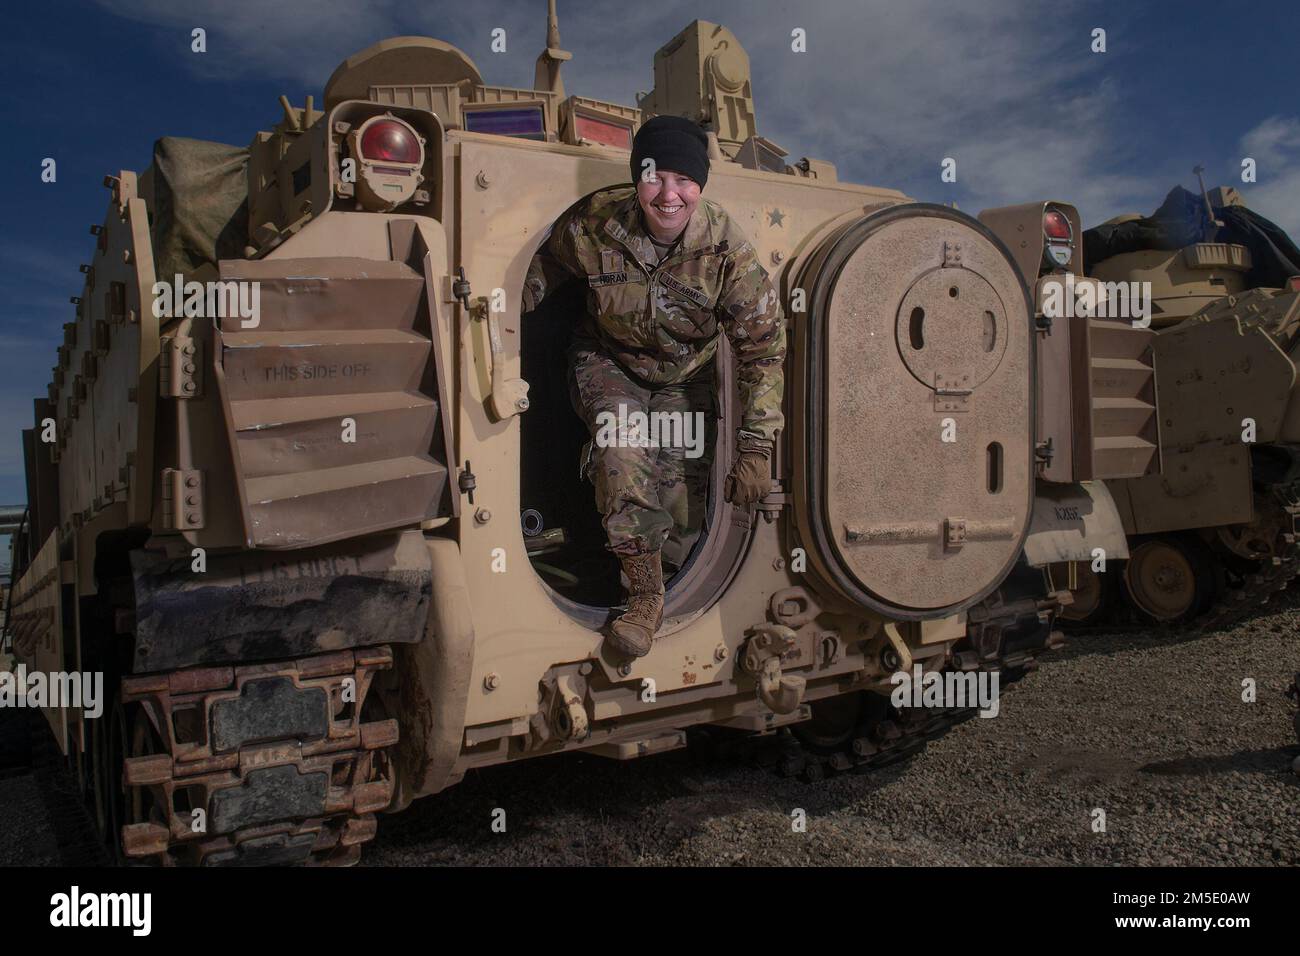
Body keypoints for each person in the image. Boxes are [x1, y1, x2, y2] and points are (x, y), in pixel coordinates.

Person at [522, 115, 786, 659]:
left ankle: (665, 584)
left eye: (684, 180)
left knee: (683, 503)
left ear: (701, 185)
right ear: (636, 177)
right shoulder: (595, 224)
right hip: (607, 361)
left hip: (685, 376)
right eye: (653, 176)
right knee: (621, 454)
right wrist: (499, 324)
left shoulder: (726, 252)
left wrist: (757, 447)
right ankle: (643, 598)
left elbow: (763, 351)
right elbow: (540, 270)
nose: (669, 195)